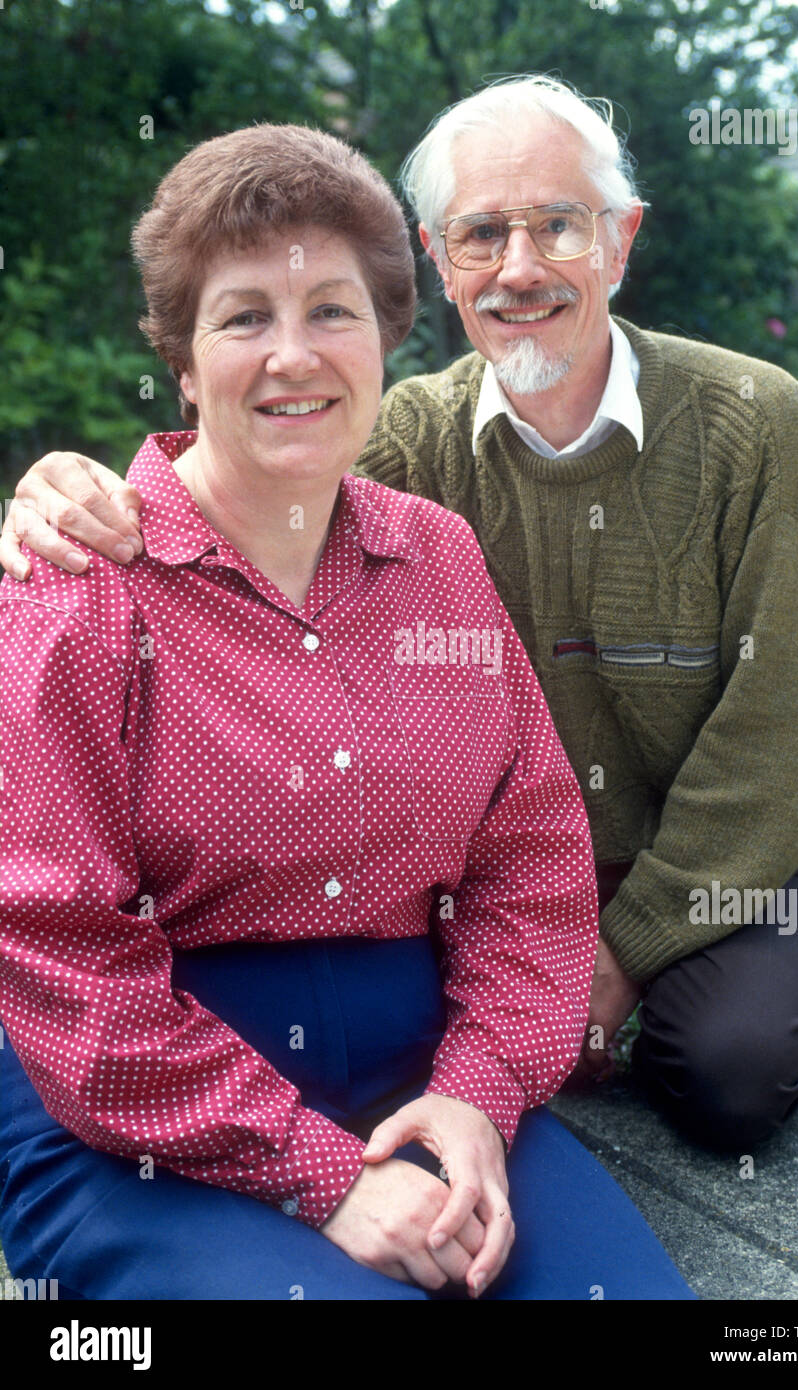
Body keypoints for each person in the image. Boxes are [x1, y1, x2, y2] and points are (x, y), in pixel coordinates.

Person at [0, 76, 798, 1155]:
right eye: (482, 233)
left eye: (558, 226)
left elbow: (793, 730)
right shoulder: (405, 434)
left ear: (621, 240)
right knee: (440, 1046)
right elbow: (247, 463)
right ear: (437, 260)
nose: (520, 267)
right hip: (496, 868)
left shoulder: (753, 419)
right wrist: (63, 487)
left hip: (718, 854)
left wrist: (622, 952)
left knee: (733, 1074)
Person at [0, 121, 695, 1302]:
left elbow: (525, 859)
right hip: (140, 1115)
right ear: (180, 356)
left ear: (384, 340)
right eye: (242, 318)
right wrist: (318, 1176)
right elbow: (59, 952)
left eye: (331, 309)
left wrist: (477, 1095)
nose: (292, 355)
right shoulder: (79, 585)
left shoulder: (438, 558)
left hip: (418, 1072)